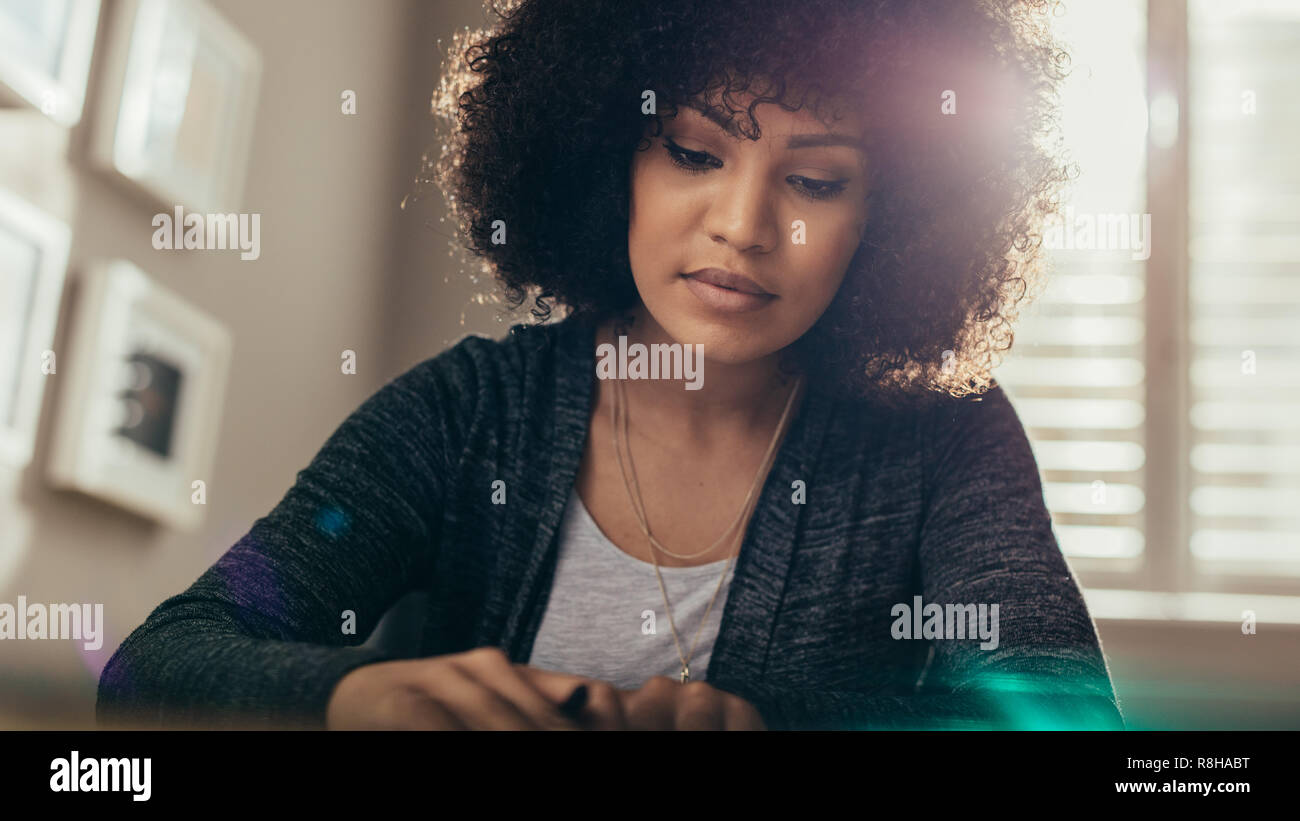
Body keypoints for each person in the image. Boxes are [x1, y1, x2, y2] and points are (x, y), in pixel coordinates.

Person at [97, 0, 1125, 731]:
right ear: (606, 158)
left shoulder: (941, 432)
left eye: (813, 179)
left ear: (890, 221)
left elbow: (1055, 708)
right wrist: (347, 695)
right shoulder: (470, 412)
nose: (741, 224)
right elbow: (161, 661)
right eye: (692, 152)